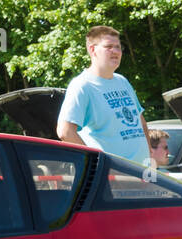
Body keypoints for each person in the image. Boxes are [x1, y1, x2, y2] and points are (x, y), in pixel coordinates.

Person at [56, 26, 151, 166]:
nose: (116, 52)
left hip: (142, 172)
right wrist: (96, 163)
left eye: (118, 47)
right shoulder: (82, 85)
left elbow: (140, 121)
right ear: (92, 50)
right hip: (111, 176)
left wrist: (149, 158)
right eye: (109, 47)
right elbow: (65, 131)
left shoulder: (122, 81)